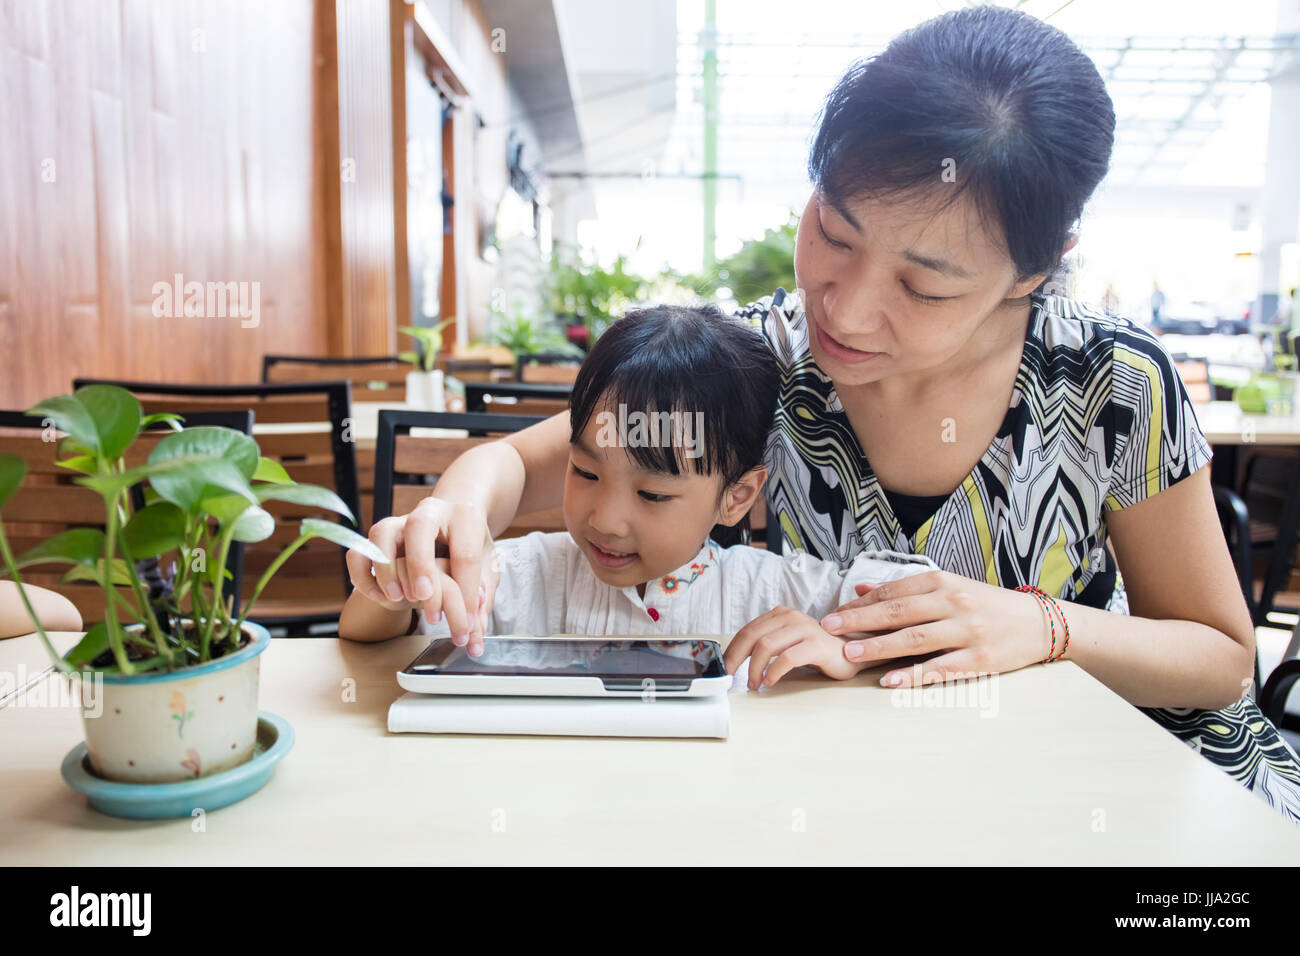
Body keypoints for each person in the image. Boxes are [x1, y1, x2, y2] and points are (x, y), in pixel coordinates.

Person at [347, 7, 1300, 819]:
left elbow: (1219, 660)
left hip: (1113, 770)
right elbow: (528, 468)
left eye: (923, 288)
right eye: (833, 233)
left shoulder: (1111, 382)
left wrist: (1041, 628)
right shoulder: (764, 360)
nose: (841, 309)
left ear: (1036, 270)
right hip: (871, 777)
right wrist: (462, 505)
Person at [341, 304, 938, 690]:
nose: (605, 519)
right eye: (585, 472)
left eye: (653, 494)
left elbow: (916, 601)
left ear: (737, 497)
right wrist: (392, 583)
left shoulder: (772, 592)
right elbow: (369, 635)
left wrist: (844, 642)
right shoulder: (520, 575)